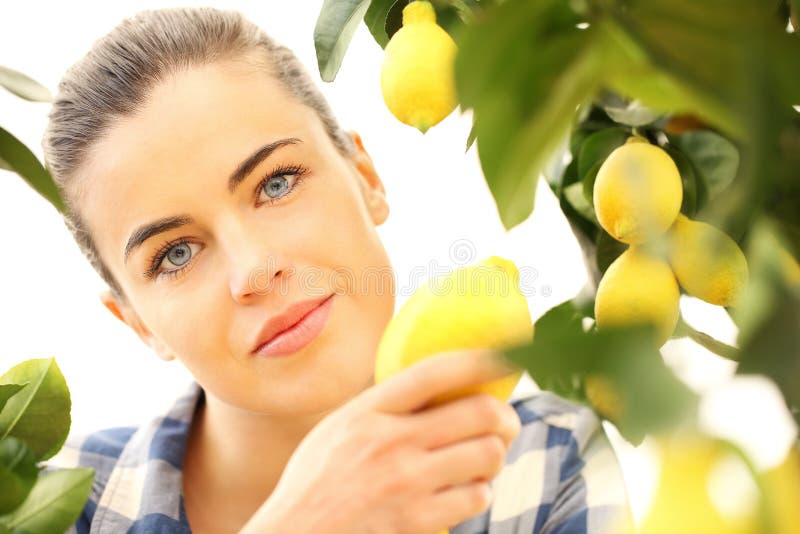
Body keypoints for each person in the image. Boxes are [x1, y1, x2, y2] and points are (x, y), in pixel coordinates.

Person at [40, 7, 633, 533]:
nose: (255, 269)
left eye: (275, 184)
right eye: (175, 254)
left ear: (365, 177)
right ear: (137, 323)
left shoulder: (547, 463)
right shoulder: (52, 506)